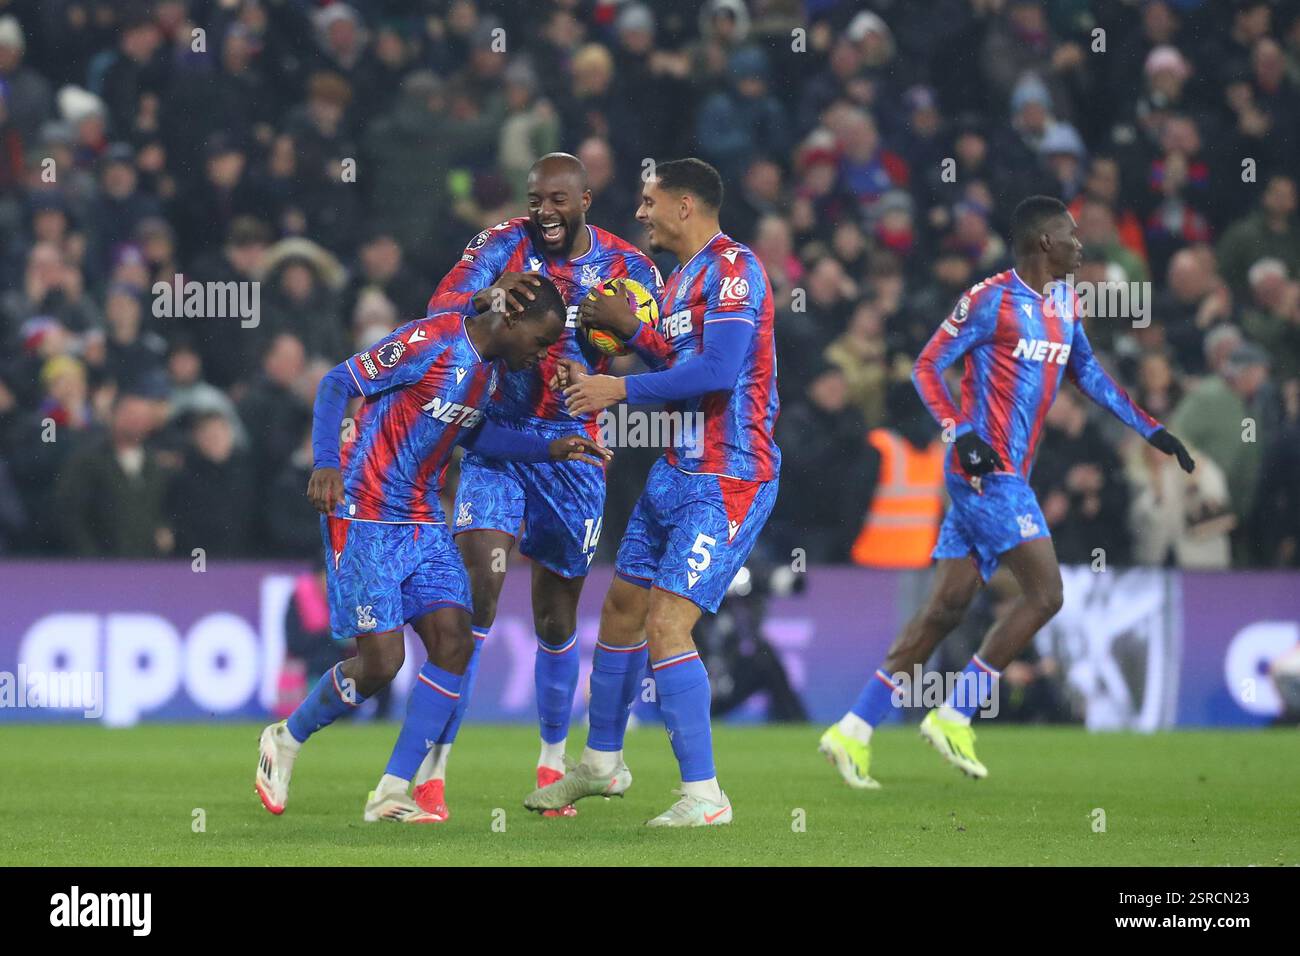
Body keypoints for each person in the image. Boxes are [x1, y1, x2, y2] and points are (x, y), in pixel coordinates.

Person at [818, 196, 1195, 789]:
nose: (1080, 244)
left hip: (1007, 473)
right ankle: (956, 712)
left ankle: (853, 729)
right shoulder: (989, 299)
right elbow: (925, 367)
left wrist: (1154, 430)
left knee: (943, 611)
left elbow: (1089, 374)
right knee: (1046, 594)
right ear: (1044, 242)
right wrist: (960, 432)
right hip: (984, 473)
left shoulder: (1067, 301)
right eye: (1071, 234)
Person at [254, 278, 611, 823]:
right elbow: (335, 382)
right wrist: (325, 461)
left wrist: (550, 447)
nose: (543, 355)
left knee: (454, 642)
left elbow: (474, 435)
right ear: (510, 322)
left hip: (421, 515)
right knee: (381, 664)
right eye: (540, 341)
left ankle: (391, 791)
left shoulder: (491, 373)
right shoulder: (430, 341)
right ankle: (286, 736)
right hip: (365, 510)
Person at [524, 157, 780, 827]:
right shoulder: (677, 283)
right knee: (621, 611)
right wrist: (637, 335)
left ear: (686, 205)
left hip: (729, 477)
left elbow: (721, 371)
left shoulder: (733, 272)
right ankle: (603, 762)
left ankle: (705, 796)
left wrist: (621, 385)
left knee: (669, 624)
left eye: (648, 200)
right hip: (675, 472)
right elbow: (684, 366)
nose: (639, 212)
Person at [411, 152, 662, 821]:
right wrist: (490, 295)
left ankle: (553, 762)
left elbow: (654, 341)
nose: (544, 213)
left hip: (575, 452)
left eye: (558, 200)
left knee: (556, 619)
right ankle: (433, 772)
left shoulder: (628, 268)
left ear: (585, 198)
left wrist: (621, 350)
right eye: (535, 200)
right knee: (477, 596)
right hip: (497, 439)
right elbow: (440, 305)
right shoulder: (497, 245)